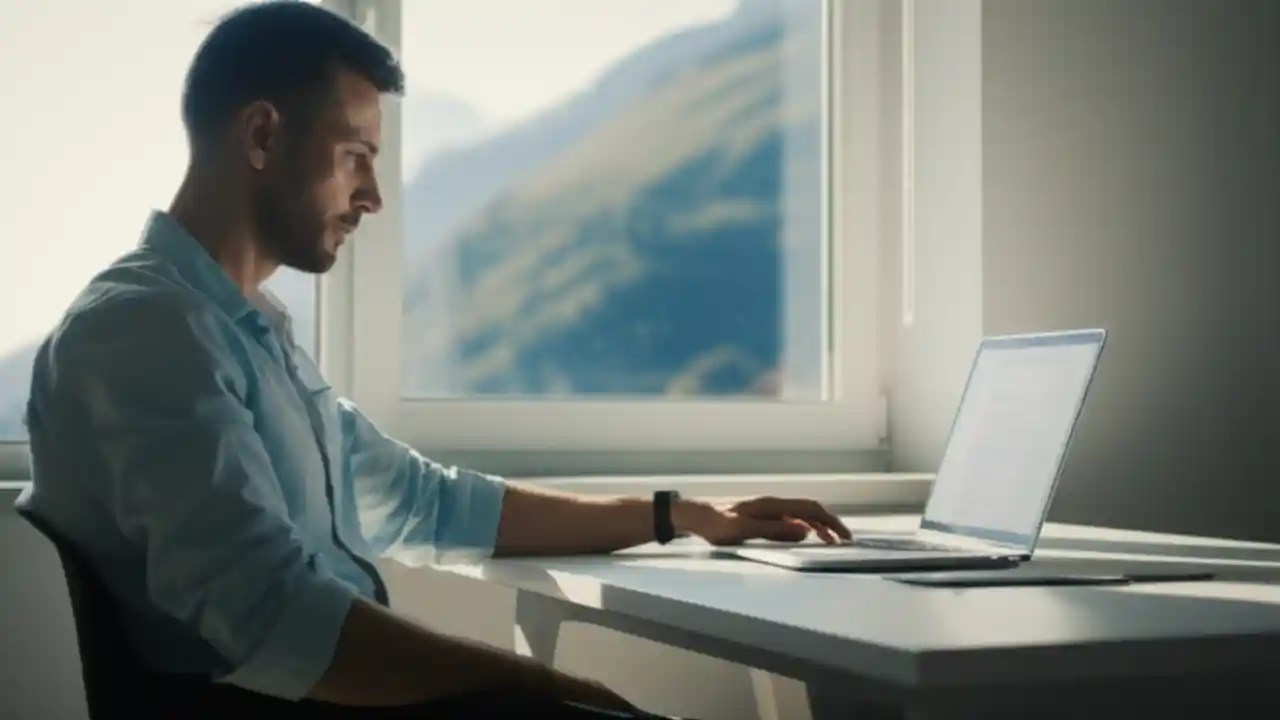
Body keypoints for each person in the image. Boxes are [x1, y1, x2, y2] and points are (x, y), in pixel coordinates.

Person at [16, 2, 851, 718]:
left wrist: (678, 516)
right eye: (356, 157)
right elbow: (281, 625)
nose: (373, 196)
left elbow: (427, 501)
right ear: (264, 135)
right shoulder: (148, 332)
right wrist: (550, 688)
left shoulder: (238, 331)